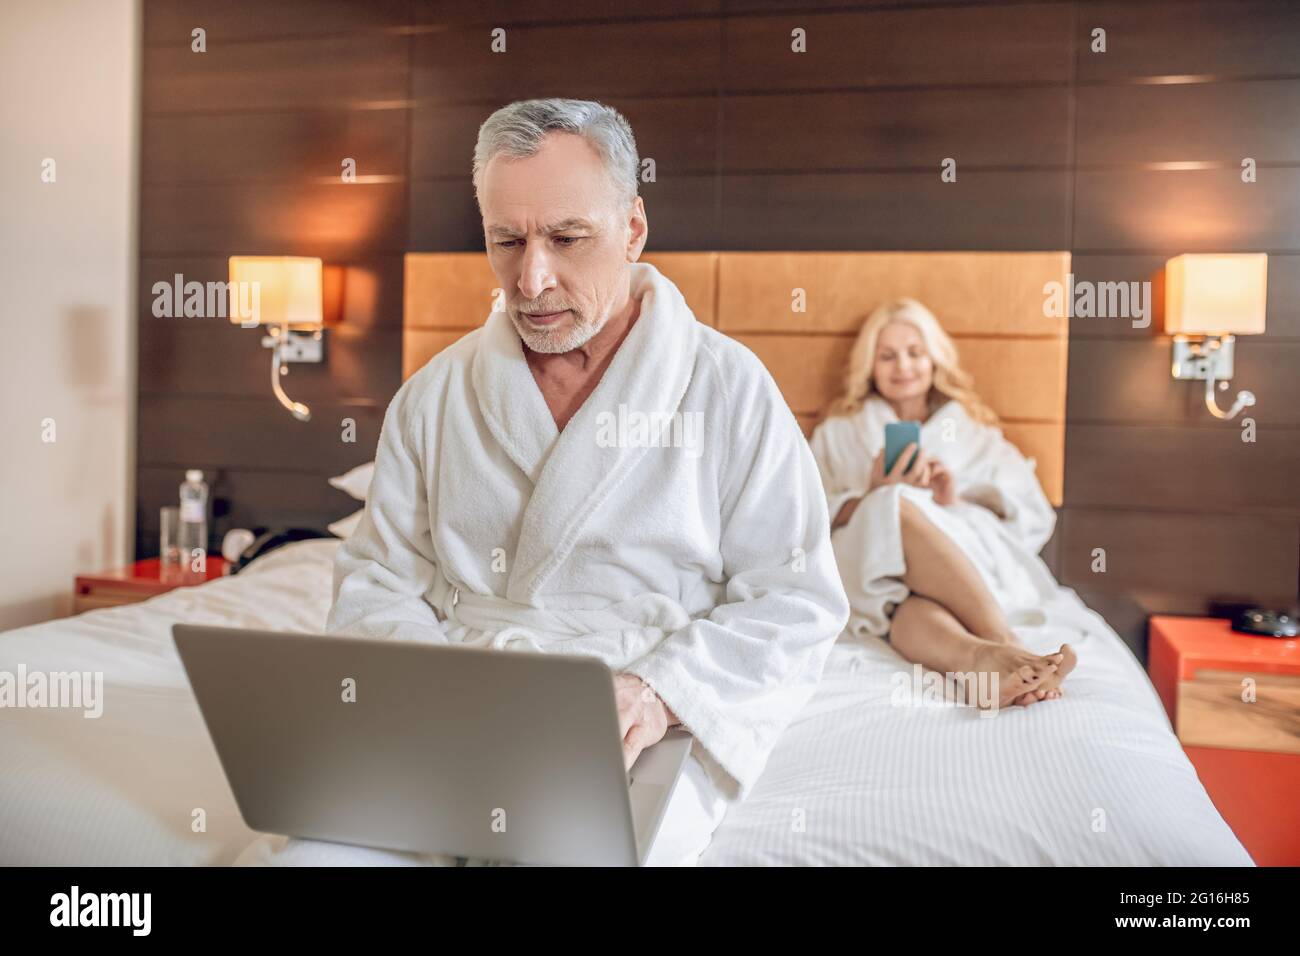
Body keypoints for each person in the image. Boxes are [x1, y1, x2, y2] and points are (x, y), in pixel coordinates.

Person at [235, 98, 849, 867]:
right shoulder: (436, 396)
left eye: (566, 238)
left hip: (635, 722)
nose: (531, 278)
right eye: (506, 240)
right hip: (455, 712)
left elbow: (796, 600)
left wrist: (656, 693)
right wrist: (432, 692)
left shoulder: (728, 390)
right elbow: (377, 582)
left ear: (632, 228)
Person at [809, 298, 1077, 709]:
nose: (903, 366)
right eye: (888, 356)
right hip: (866, 556)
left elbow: (1029, 508)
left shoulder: (970, 428)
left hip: (947, 551)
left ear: (934, 358)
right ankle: (1005, 645)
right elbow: (802, 511)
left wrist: (955, 497)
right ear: (870, 365)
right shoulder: (839, 431)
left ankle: (980, 662)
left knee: (901, 607)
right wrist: (871, 493)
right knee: (893, 506)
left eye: (915, 353)